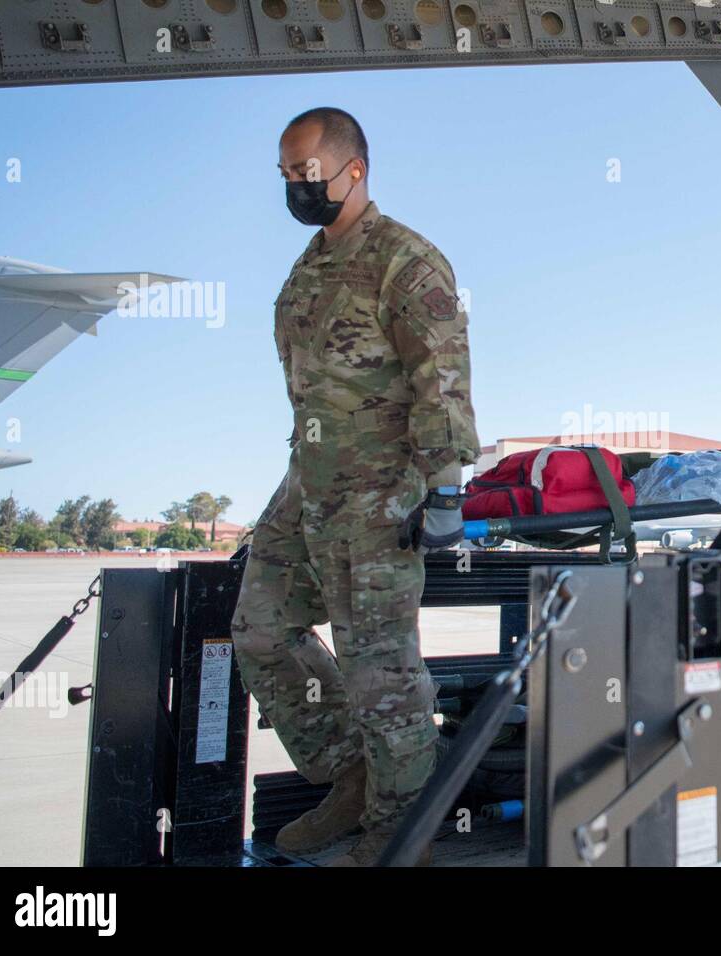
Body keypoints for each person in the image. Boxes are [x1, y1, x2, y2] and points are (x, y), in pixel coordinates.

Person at [230, 106, 479, 866]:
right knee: (261, 630)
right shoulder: (308, 266)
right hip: (307, 480)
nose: (297, 188)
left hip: (379, 487)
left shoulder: (407, 260)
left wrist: (443, 489)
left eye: (307, 174)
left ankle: (403, 831)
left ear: (354, 170)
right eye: (286, 176)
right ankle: (352, 774)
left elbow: (441, 373)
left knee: (380, 666)